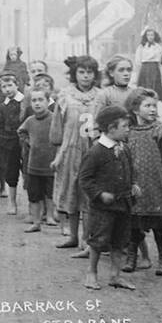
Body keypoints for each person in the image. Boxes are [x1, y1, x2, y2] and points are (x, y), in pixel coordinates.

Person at [78, 105, 141, 292]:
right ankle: (91, 273)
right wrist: (99, 194)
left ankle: (115, 276)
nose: (128, 129)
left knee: (120, 240)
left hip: (123, 203)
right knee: (98, 240)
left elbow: (130, 171)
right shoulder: (96, 152)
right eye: (125, 126)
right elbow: (85, 179)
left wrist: (133, 185)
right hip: (103, 208)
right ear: (111, 129)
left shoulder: (124, 149)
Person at [50, 54, 101, 252]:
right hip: (70, 150)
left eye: (90, 72)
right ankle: (72, 235)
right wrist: (58, 154)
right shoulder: (64, 95)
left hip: (93, 151)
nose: (86, 76)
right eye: (81, 72)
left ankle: (87, 240)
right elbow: (57, 126)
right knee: (71, 192)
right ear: (74, 73)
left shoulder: (101, 95)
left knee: (89, 196)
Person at [124, 87, 162, 275]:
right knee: (135, 223)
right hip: (135, 184)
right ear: (135, 109)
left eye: (155, 106)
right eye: (147, 106)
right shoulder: (127, 132)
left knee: (158, 224)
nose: (153, 109)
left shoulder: (161, 130)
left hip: (155, 184)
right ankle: (132, 257)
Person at [17, 87, 56, 233]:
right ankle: (36, 221)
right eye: (34, 100)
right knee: (34, 194)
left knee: (50, 193)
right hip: (33, 164)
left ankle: (50, 216)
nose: (37, 103)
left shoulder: (54, 119)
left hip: (50, 164)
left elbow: (60, 134)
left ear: (48, 101)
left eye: (41, 100)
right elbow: (21, 131)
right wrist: (28, 141)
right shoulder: (29, 120)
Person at [0, 71, 26, 216]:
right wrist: (1, 141)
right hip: (9, 144)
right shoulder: (2, 106)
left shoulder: (25, 102)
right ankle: (12, 202)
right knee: (11, 173)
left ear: (17, 85)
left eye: (10, 85)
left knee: (30, 173)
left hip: (25, 143)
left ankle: (34, 205)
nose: (7, 89)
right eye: (4, 87)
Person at [135, 28, 162, 98]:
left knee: (154, 87)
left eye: (152, 35)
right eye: (148, 35)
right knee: (144, 87)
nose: (150, 37)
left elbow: (160, 61)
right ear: (146, 36)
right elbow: (138, 60)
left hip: (154, 68)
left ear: (155, 36)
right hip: (145, 68)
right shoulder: (141, 46)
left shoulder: (158, 47)